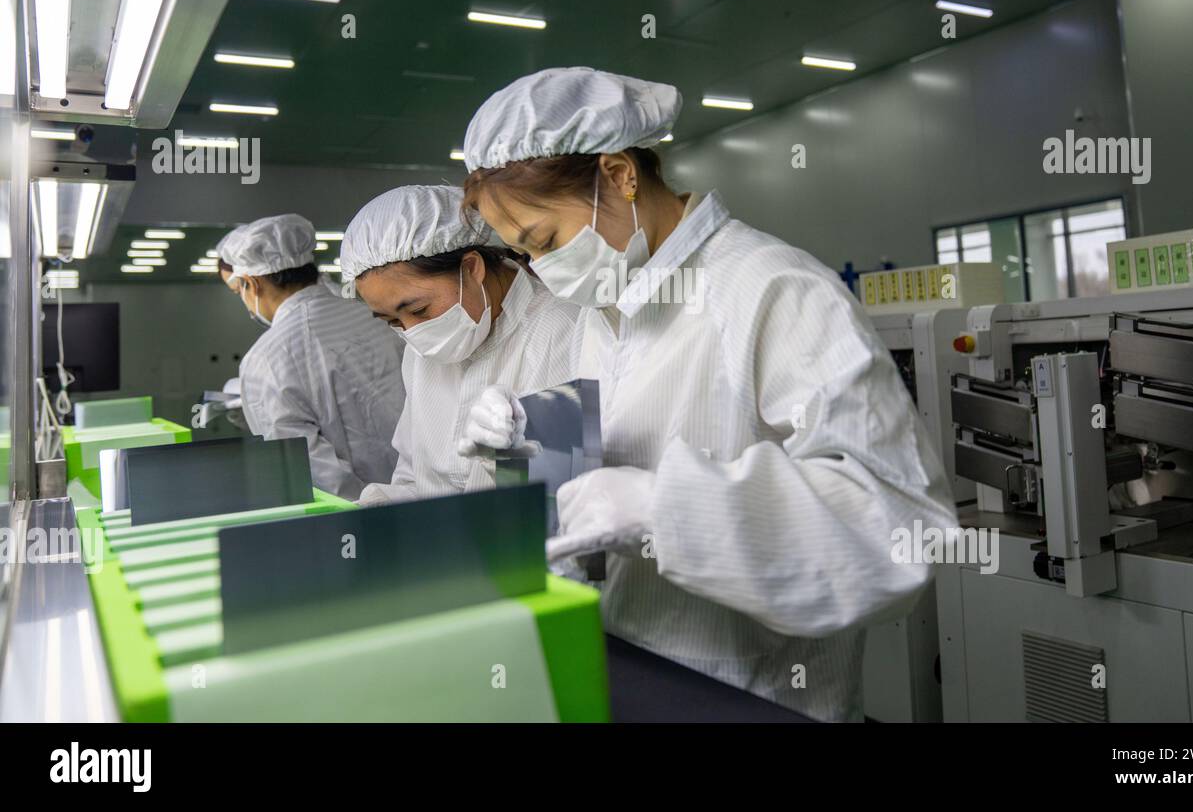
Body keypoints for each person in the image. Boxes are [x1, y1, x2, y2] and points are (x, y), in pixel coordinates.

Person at [458, 66, 956, 722]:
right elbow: (617, 468)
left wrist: (665, 509)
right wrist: (533, 443)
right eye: (525, 254)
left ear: (618, 175)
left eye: (545, 240)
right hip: (631, 674)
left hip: (755, 695)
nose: (545, 270)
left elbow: (900, 529)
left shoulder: (774, 289)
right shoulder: (601, 307)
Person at [339, 185, 581, 503]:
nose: (413, 332)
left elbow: (558, 497)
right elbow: (415, 477)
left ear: (471, 268)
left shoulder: (561, 329)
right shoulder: (419, 351)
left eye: (418, 310)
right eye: (393, 321)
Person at [225, 213, 406, 500]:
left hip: (364, 520)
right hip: (433, 493)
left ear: (253, 284)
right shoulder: (379, 316)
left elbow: (307, 468)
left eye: (240, 291)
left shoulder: (266, 359)